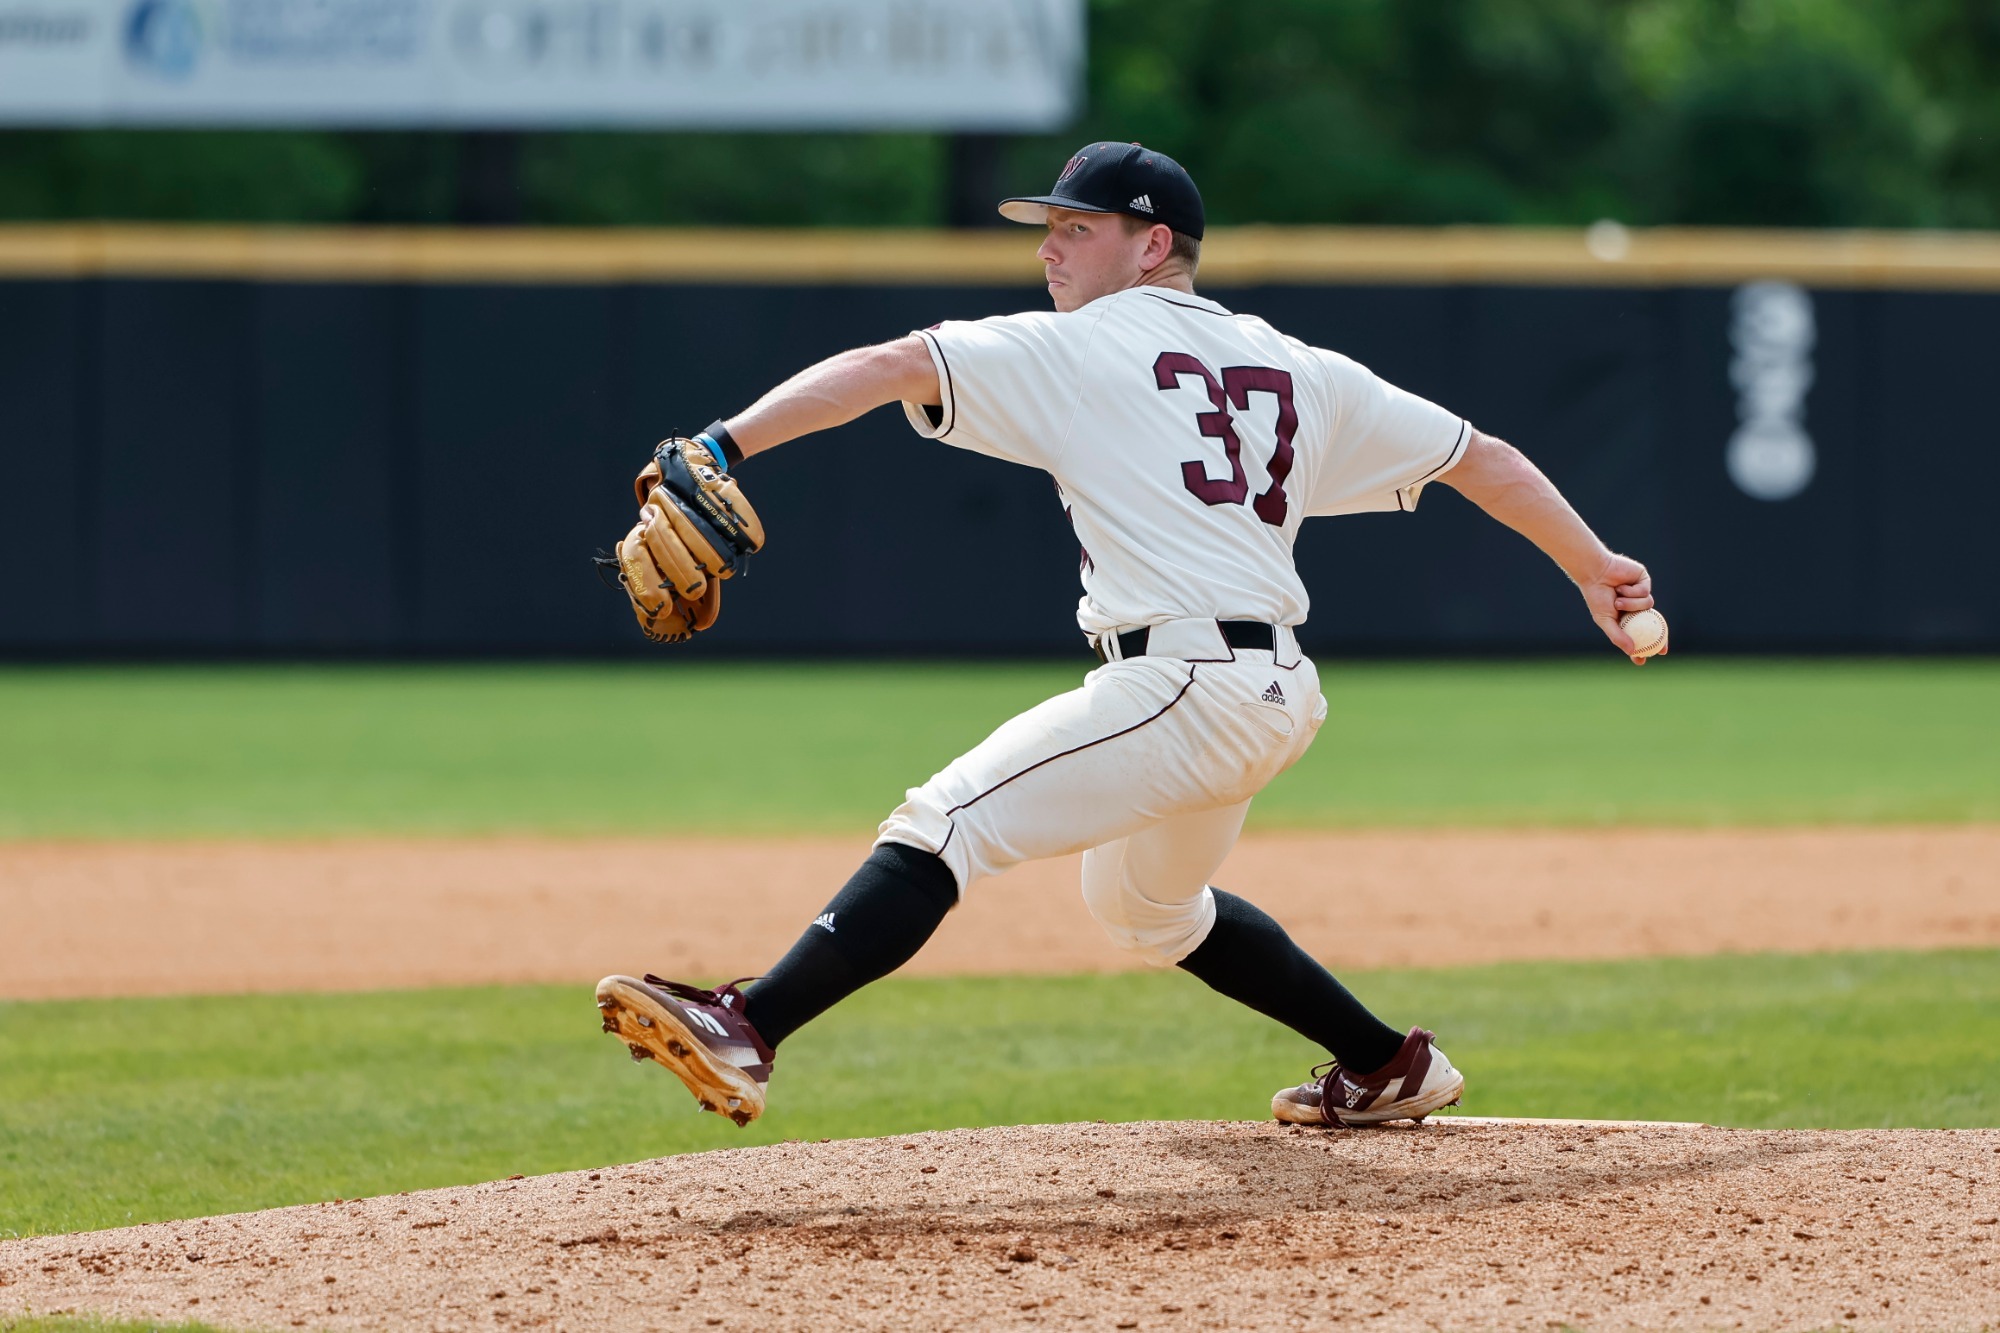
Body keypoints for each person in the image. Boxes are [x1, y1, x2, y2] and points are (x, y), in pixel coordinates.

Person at [595, 141, 1659, 1130]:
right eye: (1046, 227)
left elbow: (884, 366)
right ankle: (1387, 1064)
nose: (1050, 245)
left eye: (1078, 226)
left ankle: (751, 1023)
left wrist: (723, 443)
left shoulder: (1077, 347)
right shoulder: (1298, 367)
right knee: (1143, 906)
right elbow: (1483, 458)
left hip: (1181, 685)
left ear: (1153, 246)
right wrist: (1593, 568)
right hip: (1274, 693)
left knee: (946, 820)